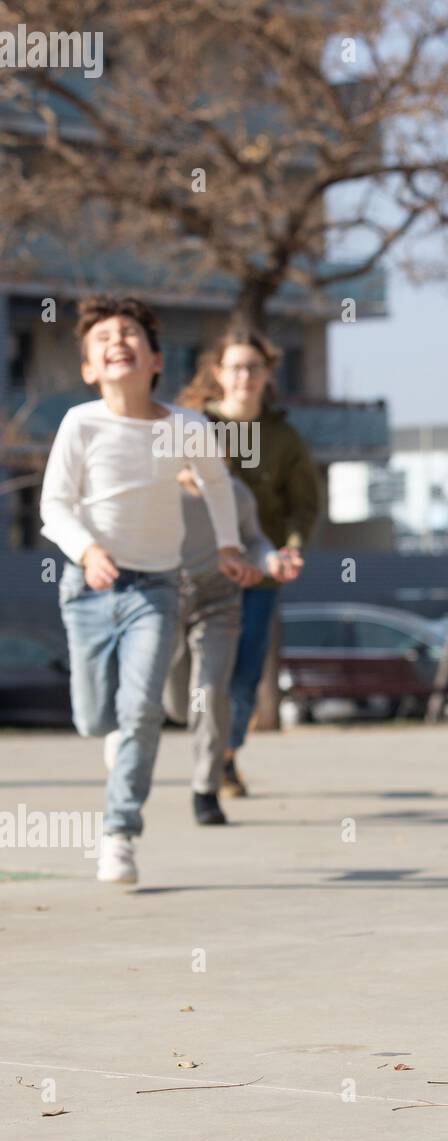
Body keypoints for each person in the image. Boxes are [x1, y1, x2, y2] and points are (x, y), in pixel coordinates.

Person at [39, 295, 243, 884]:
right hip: (87, 587)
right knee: (91, 716)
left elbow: (217, 485)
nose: (117, 342)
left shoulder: (186, 427)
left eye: (130, 334)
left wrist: (228, 544)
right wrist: (88, 550)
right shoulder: (81, 422)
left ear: (156, 359)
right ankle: (122, 739)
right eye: (103, 338)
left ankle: (120, 832)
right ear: (87, 366)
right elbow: (53, 504)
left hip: (156, 588)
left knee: (142, 709)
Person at [177, 327, 318, 798]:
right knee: (193, 677)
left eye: (254, 367)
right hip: (196, 571)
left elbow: (304, 504)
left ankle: (223, 757)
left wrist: (292, 545)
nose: (245, 376)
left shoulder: (283, 436)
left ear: (267, 374)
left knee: (245, 673)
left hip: (258, 571)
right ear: (218, 373)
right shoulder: (195, 425)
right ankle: (208, 752)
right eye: (235, 367)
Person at [165, 469, 300, 825]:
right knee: (180, 705)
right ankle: (189, 725)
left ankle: (205, 788)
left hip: (218, 601)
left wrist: (271, 561)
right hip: (165, 598)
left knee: (209, 693)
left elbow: (252, 541)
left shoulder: (235, 493)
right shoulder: (156, 490)